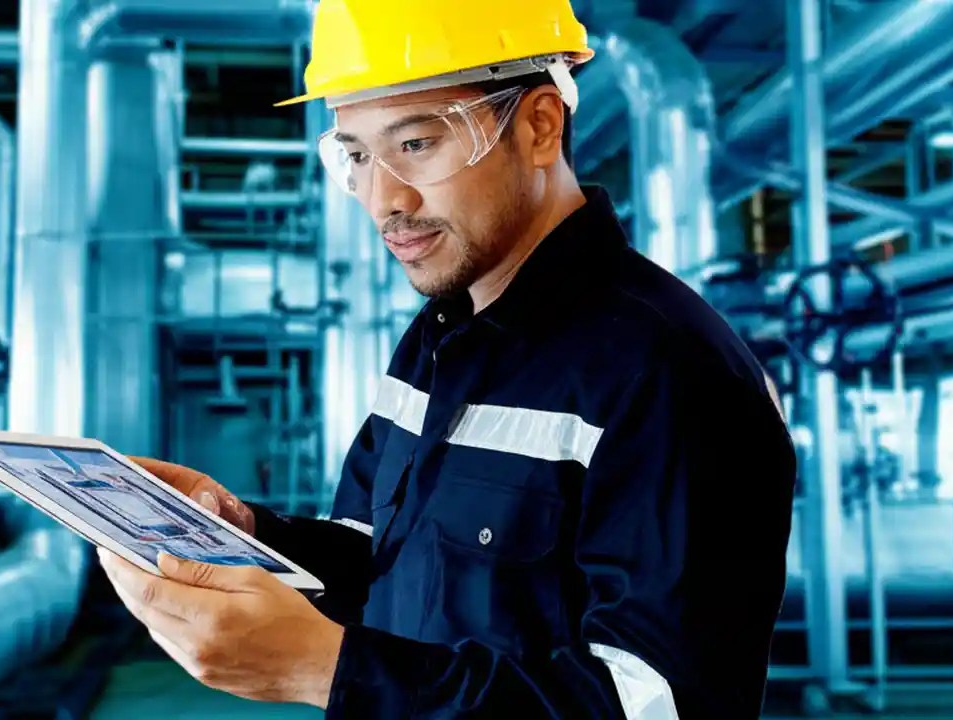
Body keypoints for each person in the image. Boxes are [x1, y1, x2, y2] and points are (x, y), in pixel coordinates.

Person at [96, 1, 798, 717]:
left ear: (539, 127)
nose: (383, 199)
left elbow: (665, 705)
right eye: (358, 156)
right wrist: (247, 535)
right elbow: (380, 554)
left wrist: (331, 673)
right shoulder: (437, 337)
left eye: (416, 144)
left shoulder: (669, 374)